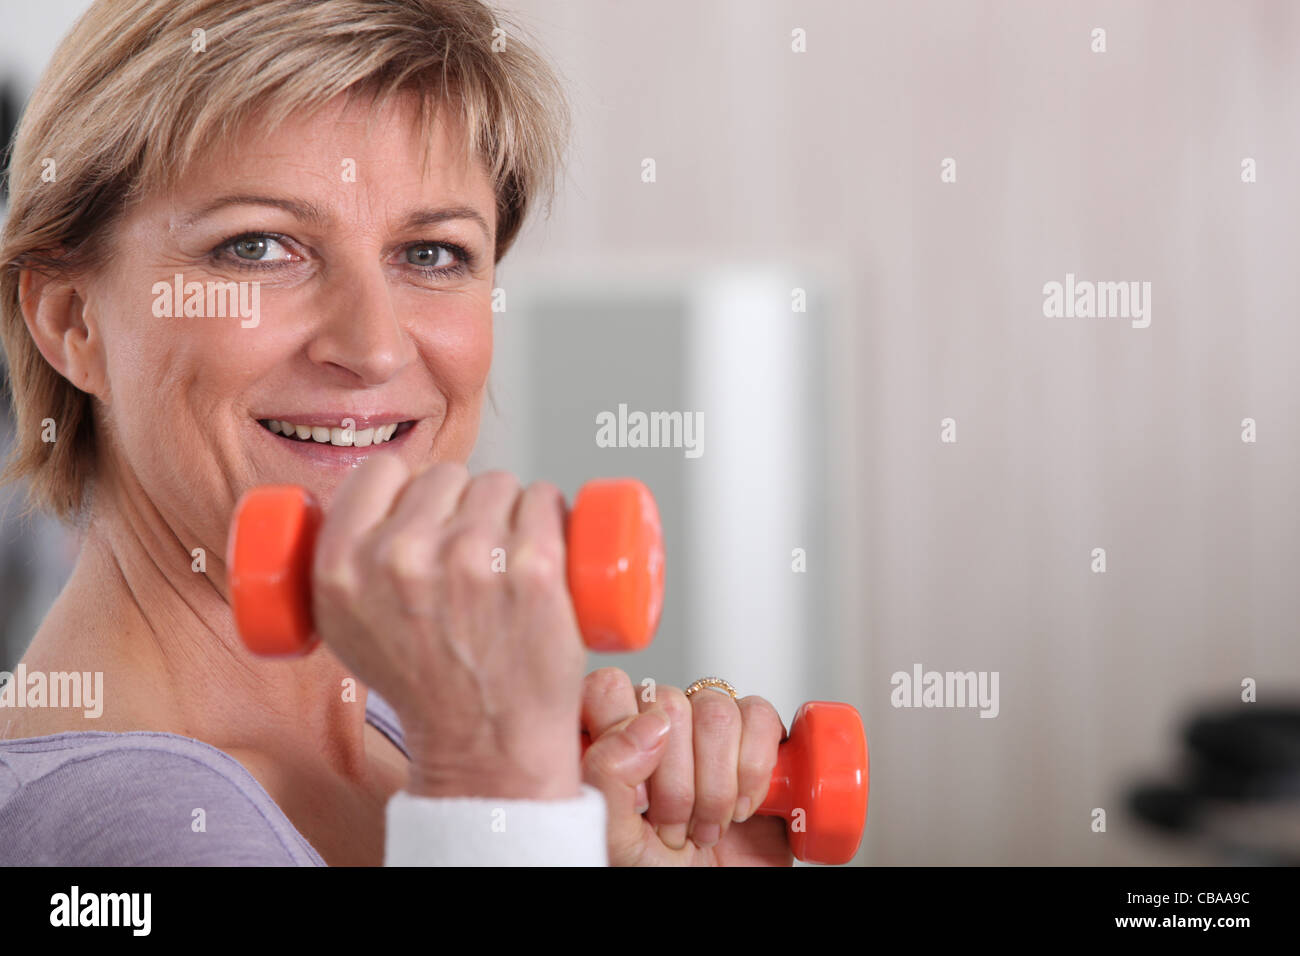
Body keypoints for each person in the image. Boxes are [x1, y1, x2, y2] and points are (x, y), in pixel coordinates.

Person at [0, 0, 792, 866]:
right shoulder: (126, 831)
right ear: (70, 319)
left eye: (430, 254)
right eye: (259, 247)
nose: (373, 348)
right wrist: (502, 794)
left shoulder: (401, 728)